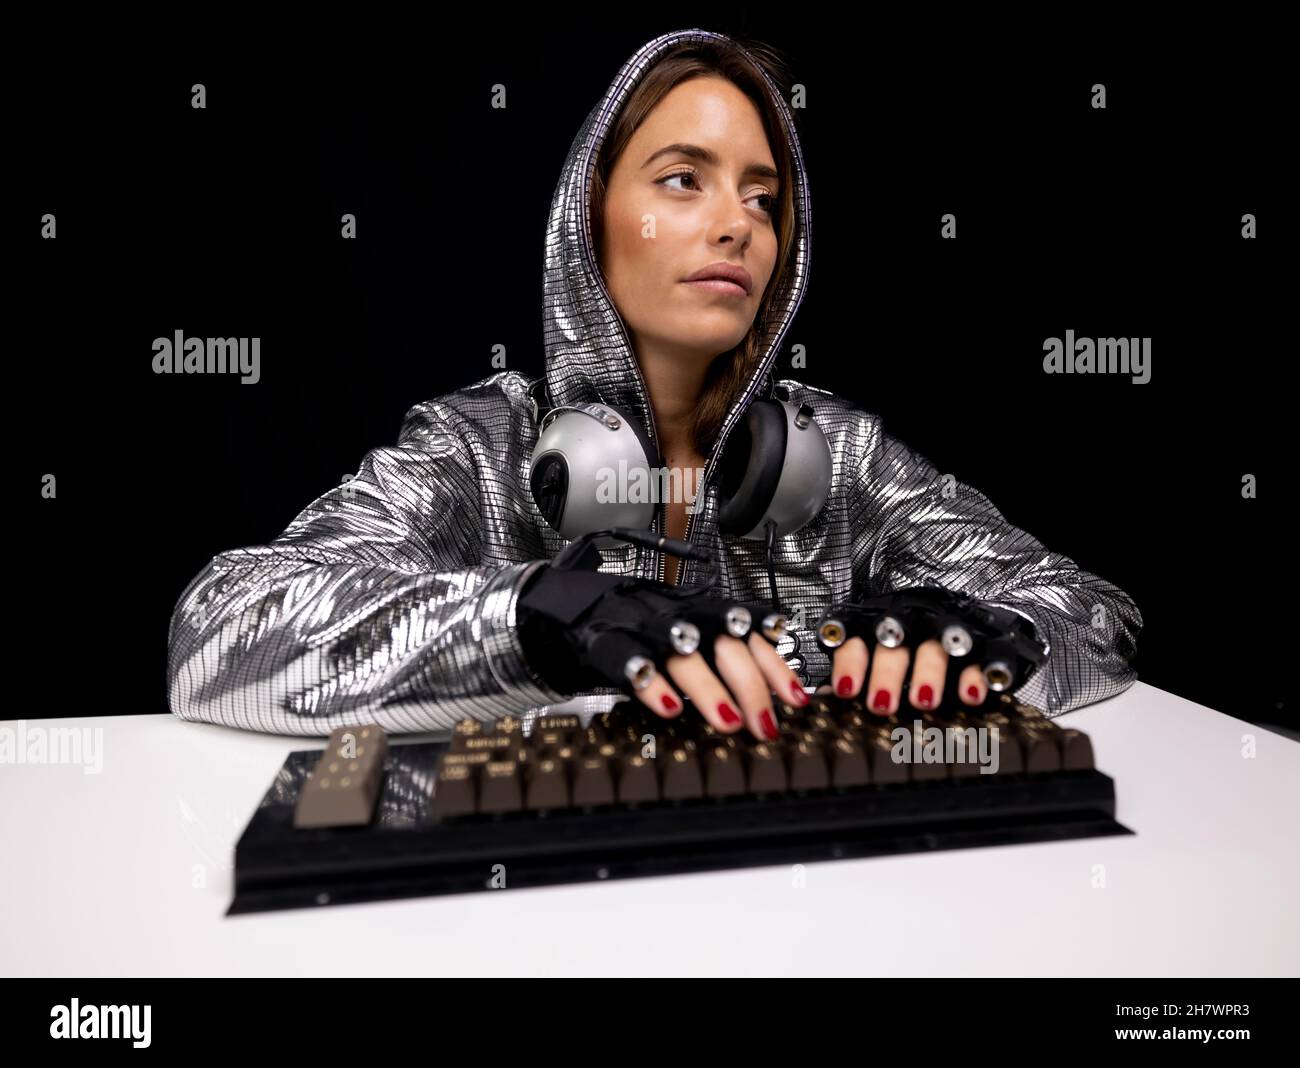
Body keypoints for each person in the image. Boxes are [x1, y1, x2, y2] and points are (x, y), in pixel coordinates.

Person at [166, 28, 1141, 739]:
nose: (737, 225)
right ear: (586, 220)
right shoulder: (477, 448)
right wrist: (535, 622)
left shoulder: (835, 458)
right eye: (684, 179)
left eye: (763, 197)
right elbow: (223, 624)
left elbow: (1090, 607)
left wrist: (988, 638)